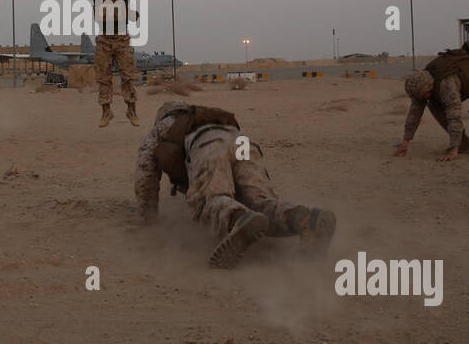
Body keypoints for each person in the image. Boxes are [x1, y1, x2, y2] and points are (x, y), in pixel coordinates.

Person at [135, 100, 336, 268]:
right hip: (242, 142)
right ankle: (307, 219)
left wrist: (148, 218)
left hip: (208, 146)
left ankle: (238, 219)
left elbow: (146, 172)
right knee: (260, 201)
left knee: (210, 200)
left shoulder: (164, 125)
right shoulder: (208, 116)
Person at [393, 40, 469, 161]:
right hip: (465, 86)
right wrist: (405, 142)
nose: (424, 98)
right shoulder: (421, 87)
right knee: (434, 105)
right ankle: (464, 144)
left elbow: (454, 116)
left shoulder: (446, 85)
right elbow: (414, 113)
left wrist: (453, 149)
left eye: (425, 95)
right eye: (422, 97)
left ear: (431, 86)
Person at [85, 0, 138, 127]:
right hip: (104, 40)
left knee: (128, 76)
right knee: (104, 77)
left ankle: (131, 110)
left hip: (122, 39)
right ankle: (106, 111)